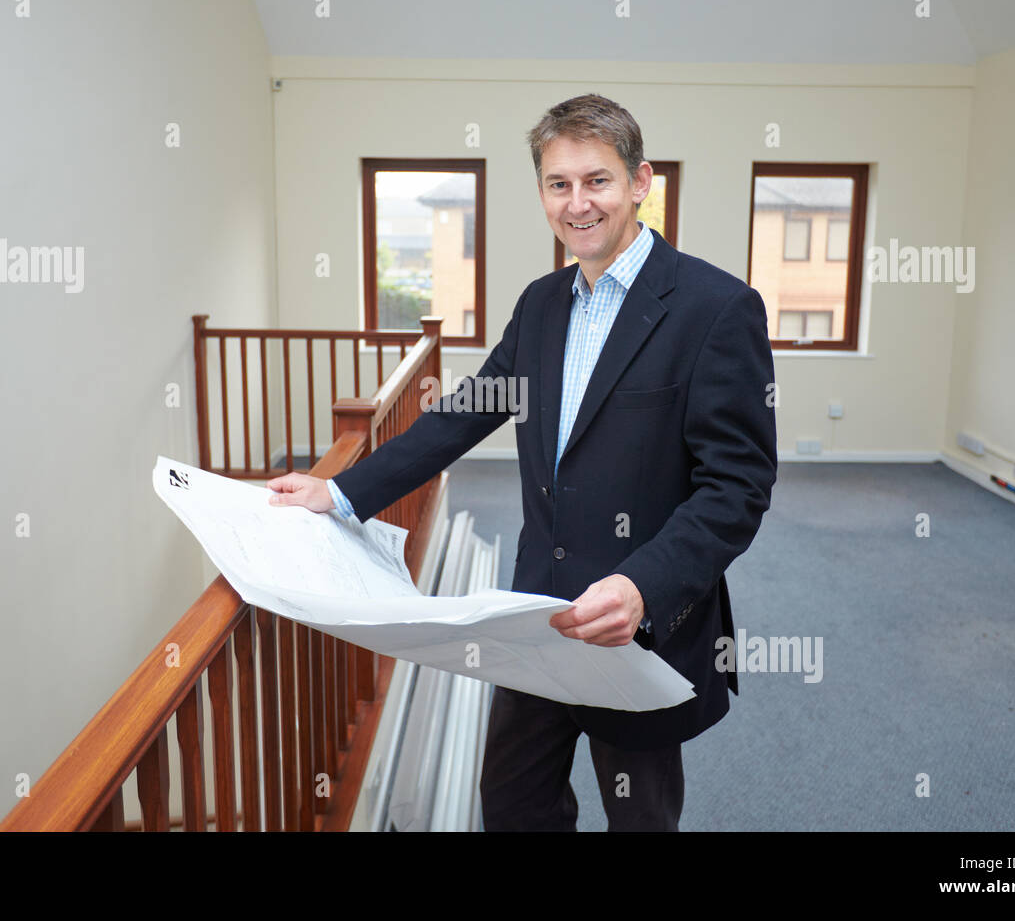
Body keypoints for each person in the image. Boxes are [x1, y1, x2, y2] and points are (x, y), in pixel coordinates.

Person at [268, 93, 777, 831]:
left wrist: (641, 586)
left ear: (640, 182)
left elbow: (737, 488)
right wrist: (341, 492)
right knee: (511, 804)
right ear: (542, 192)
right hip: (535, 616)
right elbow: (463, 413)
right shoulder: (542, 304)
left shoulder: (716, 307)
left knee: (640, 816)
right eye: (558, 184)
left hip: (635, 626)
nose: (578, 204)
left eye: (597, 180)